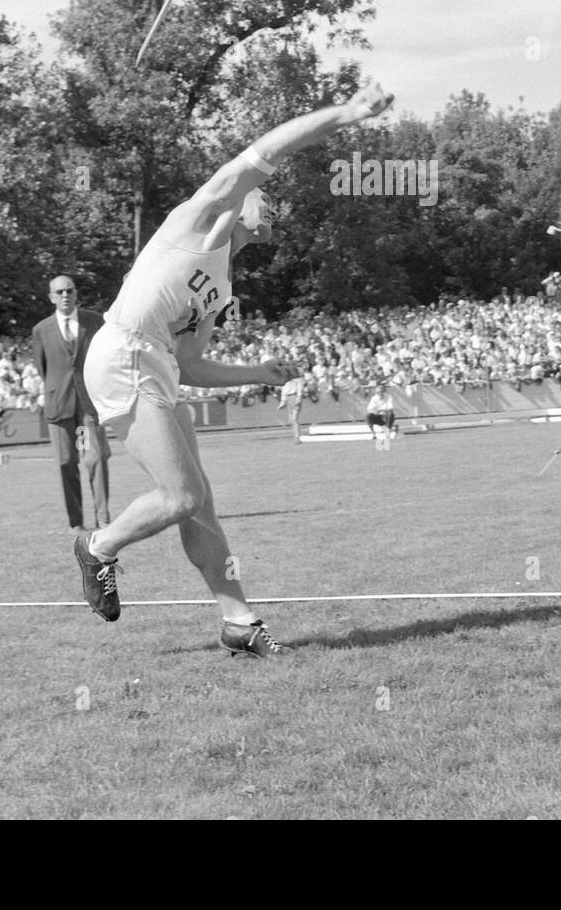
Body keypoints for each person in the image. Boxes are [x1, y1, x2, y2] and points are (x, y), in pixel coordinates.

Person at [77, 82, 394, 658]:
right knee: (180, 497)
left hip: (157, 366)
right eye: (262, 197)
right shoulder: (195, 219)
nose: (268, 203)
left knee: (201, 504)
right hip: (121, 354)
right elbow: (267, 149)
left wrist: (259, 373)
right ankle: (98, 546)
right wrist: (346, 115)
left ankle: (239, 622)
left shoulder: (221, 286)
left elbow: (192, 365)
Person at [31, 276, 112, 532]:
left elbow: (104, 358)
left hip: (89, 404)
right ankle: (76, 522)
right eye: (59, 292)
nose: (65, 295)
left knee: (96, 459)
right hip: (60, 405)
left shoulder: (95, 321)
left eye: (69, 290)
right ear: (51, 297)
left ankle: (103, 518)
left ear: (76, 293)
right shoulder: (41, 330)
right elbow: (43, 369)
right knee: (66, 463)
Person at [366, 384, 396, 451]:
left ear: (384, 391)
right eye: (378, 392)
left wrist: (380, 410)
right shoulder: (374, 398)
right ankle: (373, 434)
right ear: (376, 392)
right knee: (368, 416)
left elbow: (391, 408)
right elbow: (369, 409)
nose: (380, 393)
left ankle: (388, 432)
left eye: (381, 391)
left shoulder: (389, 397)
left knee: (391, 414)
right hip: (377, 416)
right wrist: (375, 412)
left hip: (385, 416)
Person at [278, 372, 305, 443]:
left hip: (294, 396)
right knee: (291, 420)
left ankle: (297, 437)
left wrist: (299, 397)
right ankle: (295, 436)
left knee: (294, 419)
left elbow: (300, 387)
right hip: (288, 398)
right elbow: (283, 391)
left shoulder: (296, 379)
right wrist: (282, 402)